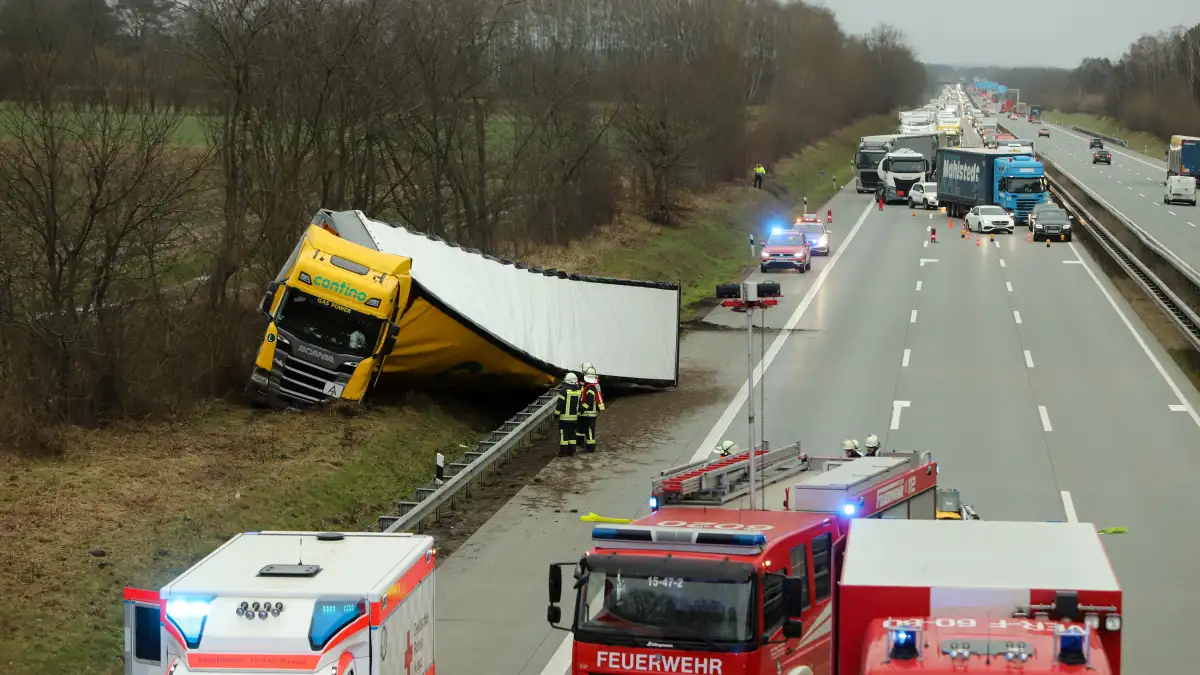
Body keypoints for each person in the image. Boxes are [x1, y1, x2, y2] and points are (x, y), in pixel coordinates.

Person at [579, 364, 605, 453]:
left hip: (589, 413)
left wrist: (582, 409)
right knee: (589, 430)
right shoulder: (594, 385)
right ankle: (588, 446)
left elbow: (589, 401)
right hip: (591, 413)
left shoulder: (590, 387)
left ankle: (590, 448)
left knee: (589, 431)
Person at [556, 373, 583, 456]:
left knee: (564, 434)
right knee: (572, 434)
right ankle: (572, 451)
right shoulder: (579, 390)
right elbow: (580, 404)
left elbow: (560, 404)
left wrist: (556, 414)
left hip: (564, 418)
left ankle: (563, 452)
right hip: (574, 418)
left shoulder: (564, 391)